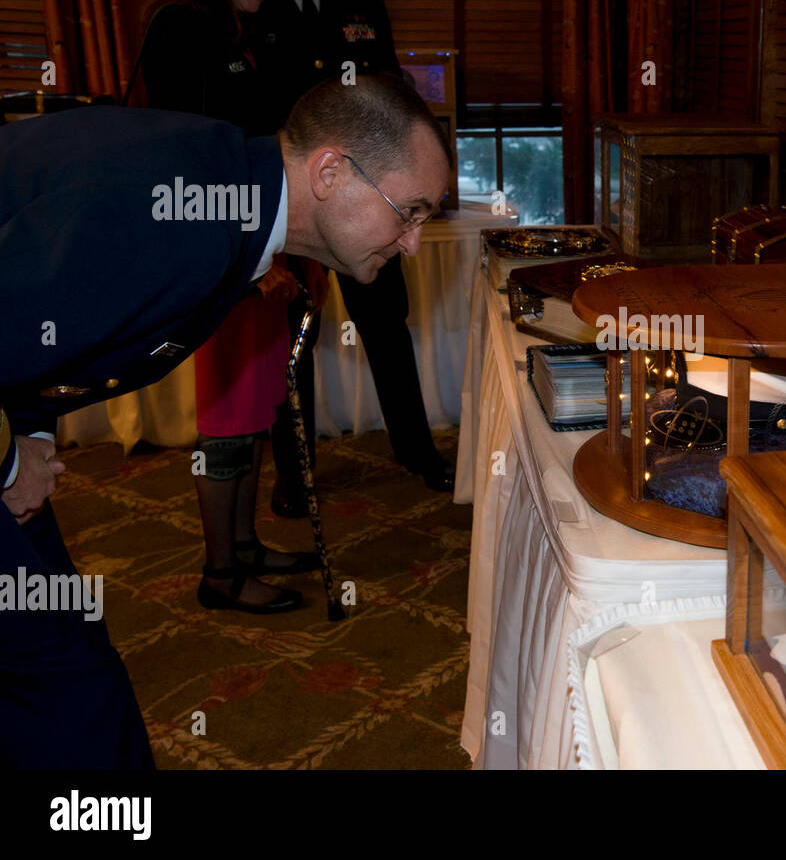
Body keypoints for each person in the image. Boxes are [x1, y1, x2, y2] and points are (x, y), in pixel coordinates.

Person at [0, 75, 451, 768]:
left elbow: (38, 329)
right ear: (331, 171)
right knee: (68, 692)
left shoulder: (224, 191)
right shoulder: (181, 223)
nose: (415, 243)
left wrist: (28, 432)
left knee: (68, 665)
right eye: (409, 210)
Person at [137, 0, 323, 613]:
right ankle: (221, 573)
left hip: (253, 248)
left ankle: (243, 546)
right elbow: (192, 161)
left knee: (252, 410)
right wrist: (249, 257)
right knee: (225, 419)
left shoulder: (239, 28)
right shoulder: (179, 27)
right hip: (221, 255)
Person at [260, 0, 455, 515]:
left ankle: (416, 450)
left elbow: (389, 96)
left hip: (365, 202)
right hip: (290, 204)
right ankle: (296, 475)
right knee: (290, 342)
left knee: (386, 329)